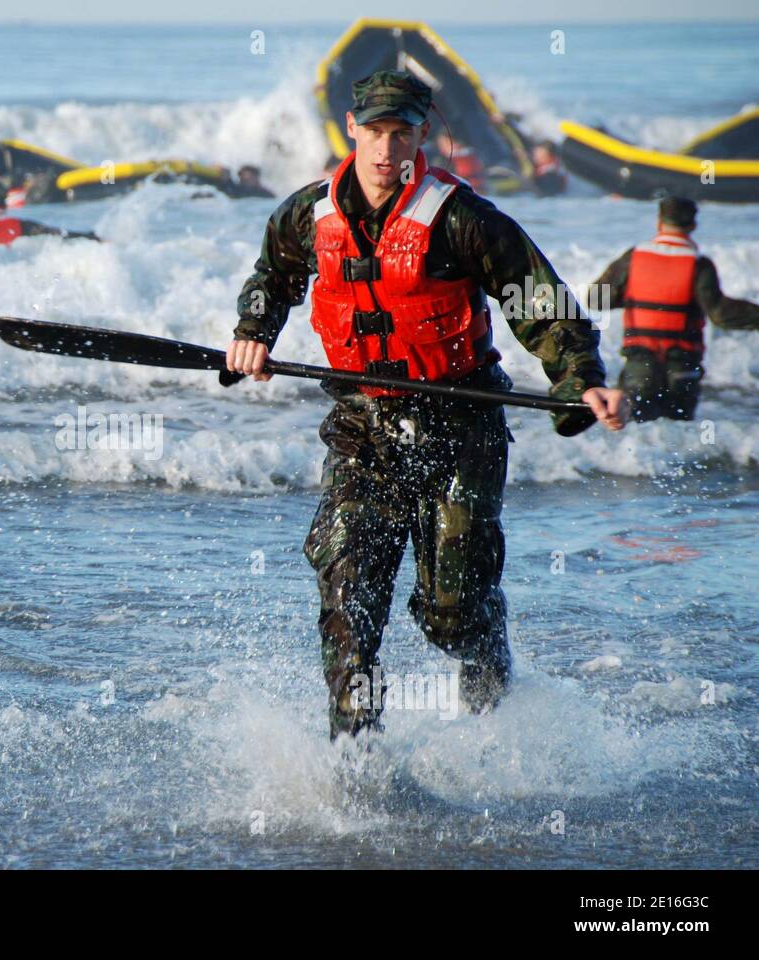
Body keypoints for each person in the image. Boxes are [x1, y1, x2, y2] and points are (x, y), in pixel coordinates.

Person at [226, 70, 627, 741]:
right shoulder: (309, 214)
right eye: (375, 131)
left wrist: (580, 378)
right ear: (351, 128)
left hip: (460, 429)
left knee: (451, 612)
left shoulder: (462, 219)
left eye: (402, 133)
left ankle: (487, 664)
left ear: (422, 135)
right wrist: (254, 333)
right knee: (349, 598)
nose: (387, 149)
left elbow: (538, 299)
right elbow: (274, 274)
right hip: (361, 427)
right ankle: (356, 760)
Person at [588, 196, 759, 422]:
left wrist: (633, 298)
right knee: (680, 431)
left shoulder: (634, 257)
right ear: (693, 225)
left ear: (659, 222)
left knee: (630, 422)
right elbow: (720, 314)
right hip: (682, 367)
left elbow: (595, 299)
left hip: (640, 365)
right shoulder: (699, 265)